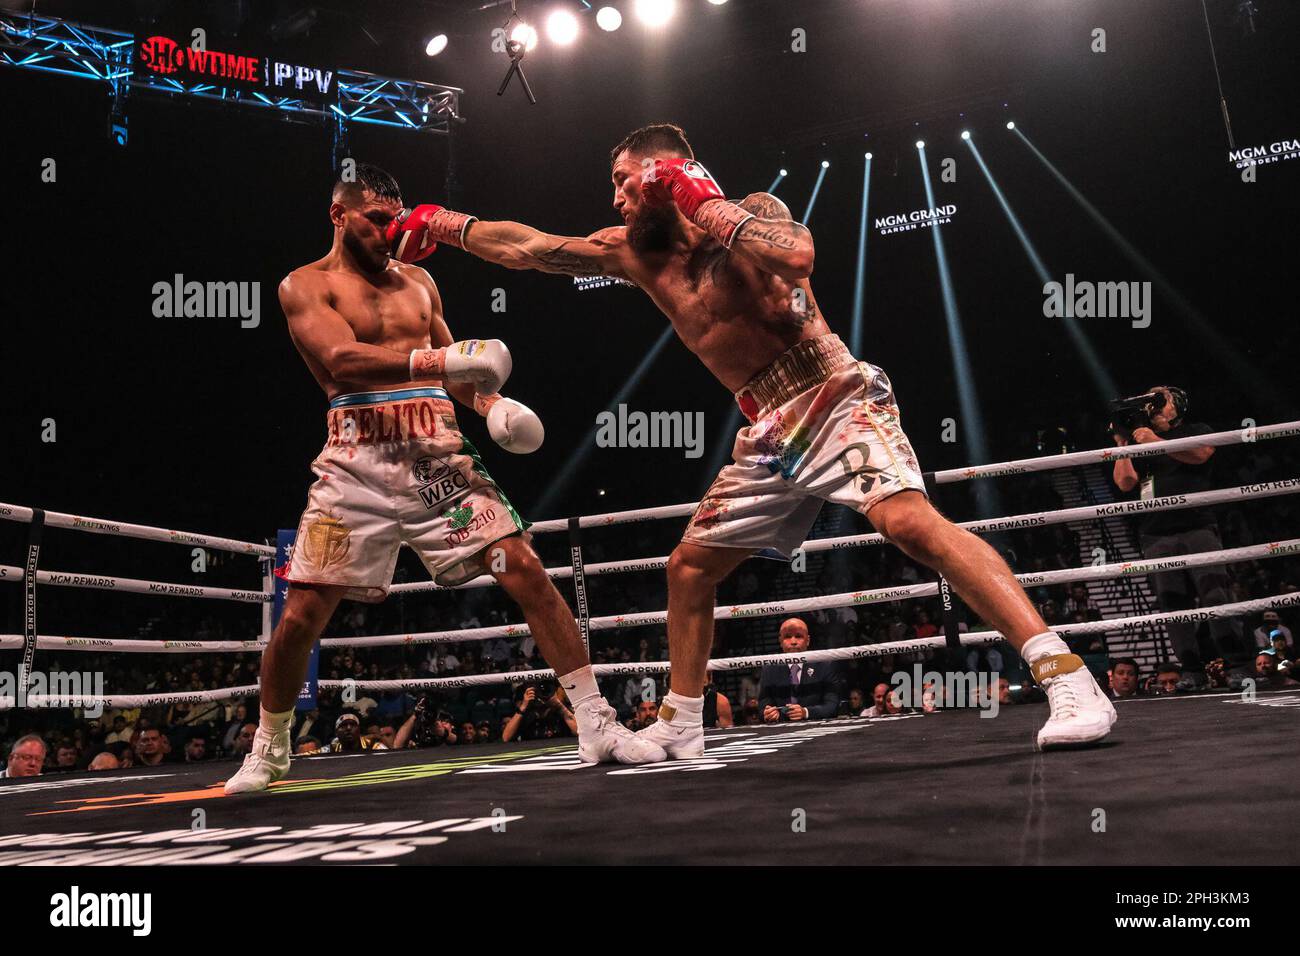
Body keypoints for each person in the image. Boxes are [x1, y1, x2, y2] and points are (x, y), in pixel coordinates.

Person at [412, 122, 1116, 756]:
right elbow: (529, 249)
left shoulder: (750, 213)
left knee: (907, 521)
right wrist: (437, 220)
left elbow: (798, 255)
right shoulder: (628, 253)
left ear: (668, 170)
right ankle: (683, 720)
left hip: (830, 392)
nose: (617, 200)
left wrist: (701, 199)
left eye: (626, 181)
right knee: (688, 568)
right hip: (768, 427)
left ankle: (1068, 677)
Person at [225, 164, 663, 795]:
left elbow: (460, 371)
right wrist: (440, 361)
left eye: (395, 220)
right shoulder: (304, 284)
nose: (388, 232)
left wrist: (493, 407)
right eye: (375, 219)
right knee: (301, 615)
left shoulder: (422, 282)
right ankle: (269, 745)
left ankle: (597, 722)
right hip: (355, 461)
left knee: (524, 566)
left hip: (437, 455)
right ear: (338, 215)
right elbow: (343, 361)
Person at [1111, 386, 1240, 676]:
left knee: (1216, 596)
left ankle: (1237, 666)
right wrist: (1123, 443)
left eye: (1161, 399)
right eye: (1149, 400)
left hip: (1197, 526)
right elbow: (1125, 482)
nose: (1153, 405)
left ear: (1177, 406)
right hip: (1156, 534)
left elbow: (1201, 454)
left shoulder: (1195, 429)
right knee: (1172, 605)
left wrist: (1155, 439)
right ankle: (1191, 671)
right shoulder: (1137, 441)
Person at [758, 618, 843, 722]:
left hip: (816, 727)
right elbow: (763, 706)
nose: (793, 642)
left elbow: (832, 706)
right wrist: (768, 714)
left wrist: (805, 712)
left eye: (798, 636)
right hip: (782, 730)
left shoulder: (824, 665)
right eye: (787, 637)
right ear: (780, 641)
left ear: (808, 640)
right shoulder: (770, 668)